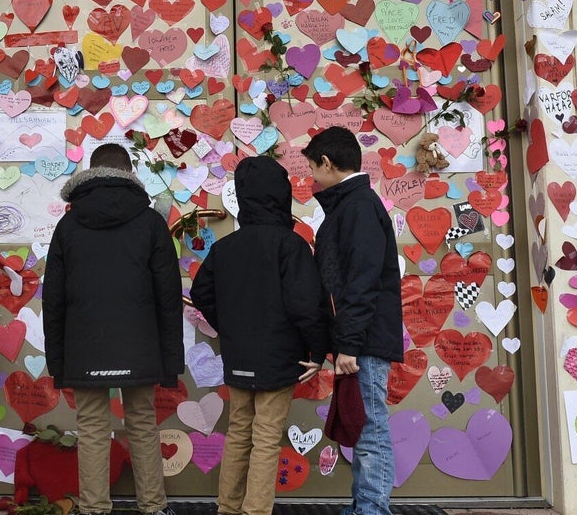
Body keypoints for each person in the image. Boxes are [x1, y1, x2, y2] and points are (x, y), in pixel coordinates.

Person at [42, 143, 182, 515]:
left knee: (91, 427)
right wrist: (170, 360)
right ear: (129, 172)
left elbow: (52, 298)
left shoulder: (68, 225)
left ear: (90, 173)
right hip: (140, 342)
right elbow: (168, 295)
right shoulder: (151, 221)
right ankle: (154, 507)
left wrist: (57, 360)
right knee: (142, 423)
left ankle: (93, 509)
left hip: (85, 344)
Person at [189, 156, 330, 515]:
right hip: (281, 357)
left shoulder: (225, 247)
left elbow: (201, 293)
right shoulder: (291, 245)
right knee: (266, 437)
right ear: (281, 195)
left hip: (240, 354)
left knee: (239, 431)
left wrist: (230, 327)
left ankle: (228, 508)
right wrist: (318, 350)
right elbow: (305, 305)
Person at [301, 127, 403, 515]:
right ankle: (365, 506)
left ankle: (372, 510)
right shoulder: (352, 204)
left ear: (327, 163)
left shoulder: (358, 206)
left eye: (313, 169)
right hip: (359, 338)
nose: (312, 178)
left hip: (363, 341)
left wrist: (348, 345)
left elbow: (362, 282)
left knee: (371, 428)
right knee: (364, 426)